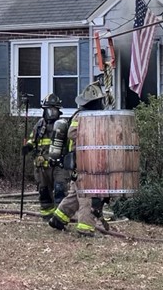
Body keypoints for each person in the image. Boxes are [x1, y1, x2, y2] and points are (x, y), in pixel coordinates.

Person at [48, 84, 107, 237]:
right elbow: (72, 133)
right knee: (88, 194)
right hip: (84, 161)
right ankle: (85, 229)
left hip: (89, 161)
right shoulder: (81, 116)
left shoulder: (96, 115)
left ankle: (58, 219)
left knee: (76, 193)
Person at [22, 93, 70, 220]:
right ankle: (47, 217)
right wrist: (28, 146)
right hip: (42, 166)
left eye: (54, 110)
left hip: (59, 165)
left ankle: (61, 218)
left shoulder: (63, 125)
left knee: (60, 190)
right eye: (49, 110)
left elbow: (70, 144)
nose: (51, 113)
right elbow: (33, 140)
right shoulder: (39, 125)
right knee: (44, 193)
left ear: (58, 110)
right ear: (44, 110)